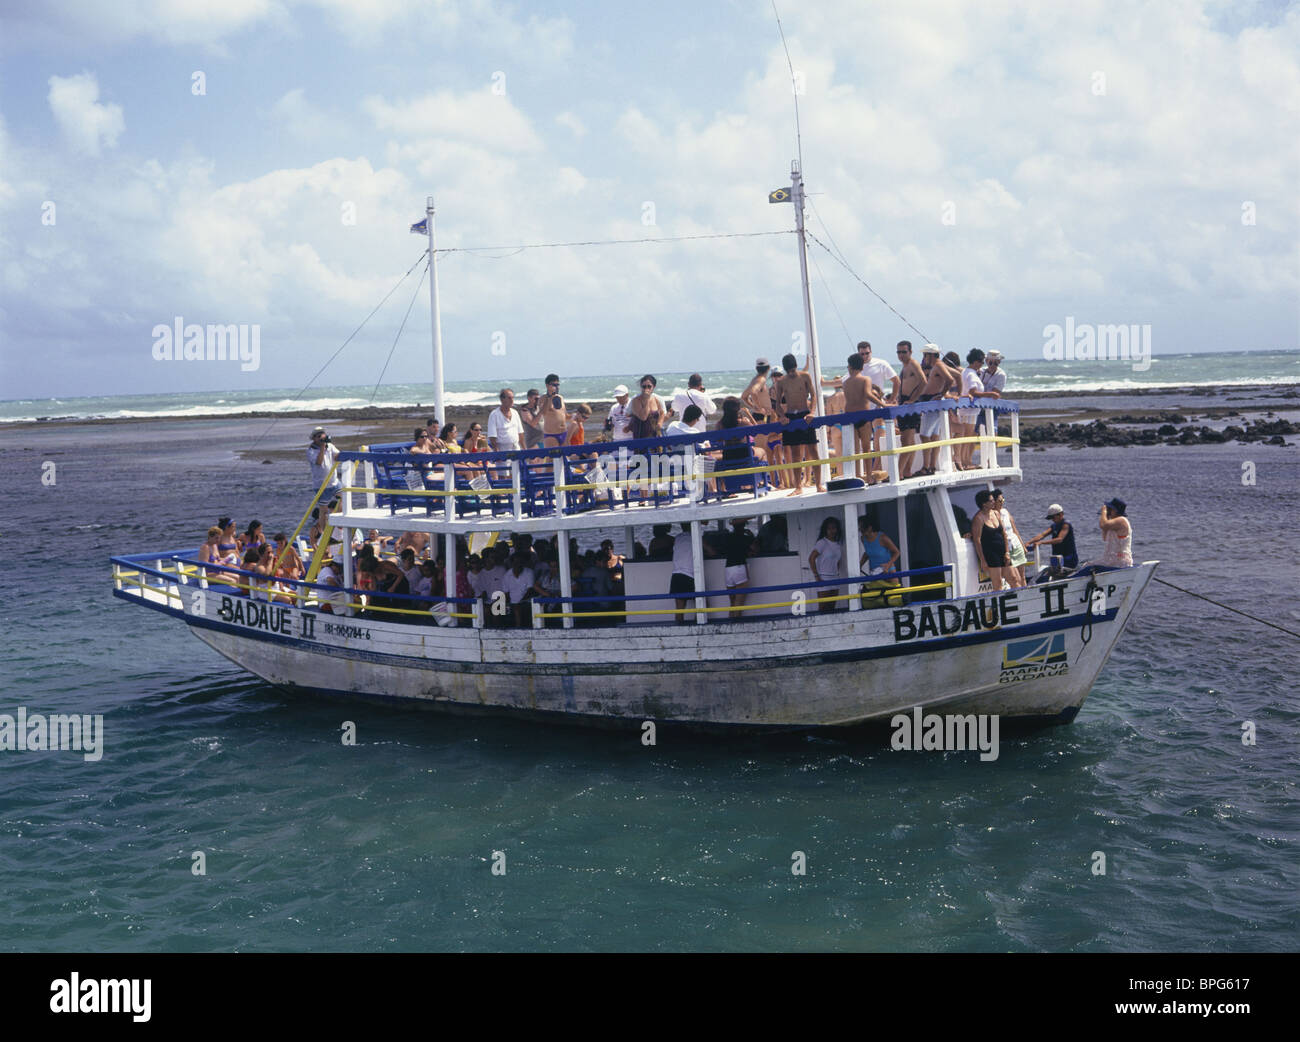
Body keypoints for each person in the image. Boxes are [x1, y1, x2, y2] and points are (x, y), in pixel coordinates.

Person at [841, 352, 887, 481]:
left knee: (856, 449)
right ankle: (868, 475)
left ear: (850, 367)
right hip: (864, 416)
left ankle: (857, 475)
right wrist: (882, 404)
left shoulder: (846, 383)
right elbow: (867, 394)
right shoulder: (866, 379)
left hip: (850, 417)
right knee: (867, 448)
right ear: (862, 367)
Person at [778, 352, 819, 493]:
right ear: (785, 370)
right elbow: (777, 404)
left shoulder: (805, 376)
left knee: (813, 451)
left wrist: (812, 412)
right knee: (795, 454)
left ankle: (819, 484)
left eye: (793, 370)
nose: (792, 373)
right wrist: (782, 416)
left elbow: (814, 395)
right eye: (789, 371)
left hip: (805, 413)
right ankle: (798, 487)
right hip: (791, 417)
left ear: (796, 366)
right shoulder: (782, 381)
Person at [916, 345, 957, 475]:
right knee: (934, 435)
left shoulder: (938, 365)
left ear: (931, 355)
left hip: (933, 403)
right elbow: (957, 376)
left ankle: (926, 466)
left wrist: (942, 394)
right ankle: (931, 466)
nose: (924, 358)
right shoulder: (938, 366)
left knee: (924, 435)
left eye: (925, 355)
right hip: (934, 402)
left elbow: (950, 379)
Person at [894, 341, 926, 477]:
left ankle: (898, 472)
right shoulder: (904, 367)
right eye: (898, 352)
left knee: (907, 441)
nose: (901, 355)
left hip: (911, 405)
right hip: (903, 404)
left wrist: (913, 399)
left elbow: (923, 381)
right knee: (906, 440)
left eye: (904, 352)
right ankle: (906, 471)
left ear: (910, 352)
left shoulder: (913, 364)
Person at [971, 490, 1011, 591]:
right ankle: (998, 605)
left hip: (1002, 552)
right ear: (984, 504)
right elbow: (977, 540)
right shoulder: (978, 519)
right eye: (992, 500)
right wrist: (983, 560)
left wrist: (1007, 552)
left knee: (1014, 578)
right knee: (997, 584)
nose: (994, 502)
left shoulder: (996, 514)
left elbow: (1004, 533)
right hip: (992, 555)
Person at [1078, 498, 1133, 570]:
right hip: (1112, 560)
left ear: (1115, 510)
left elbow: (1103, 525)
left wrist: (1104, 511)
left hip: (1120, 561)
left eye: (1110, 509)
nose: (1109, 511)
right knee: (1087, 565)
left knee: (1087, 566)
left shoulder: (1121, 520)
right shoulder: (1113, 523)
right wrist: (1106, 517)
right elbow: (1105, 537)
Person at [858, 513, 901, 605]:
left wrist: (888, 565)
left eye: (862, 527)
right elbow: (867, 553)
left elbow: (897, 552)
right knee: (879, 599)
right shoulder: (863, 539)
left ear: (869, 527)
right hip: (874, 573)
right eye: (859, 527)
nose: (860, 529)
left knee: (894, 597)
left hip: (889, 571)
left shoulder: (882, 538)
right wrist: (859, 565)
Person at [1026, 504, 1079, 573]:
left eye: (1053, 518)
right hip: (1057, 557)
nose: (1052, 520)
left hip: (1069, 558)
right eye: (1051, 518)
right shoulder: (1054, 526)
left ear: (1060, 515)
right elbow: (1042, 535)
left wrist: (1042, 542)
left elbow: (1059, 539)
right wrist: (1029, 543)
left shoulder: (1066, 525)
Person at [722, 517, 756, 619]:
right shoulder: (745, 538)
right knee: (739, 602)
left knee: (732, 602)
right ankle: (736, 624)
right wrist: (752, 536)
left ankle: (730, 624)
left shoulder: (728, 537)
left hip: (728, 569)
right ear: (744, 525)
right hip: (740, 567)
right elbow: (755, 549)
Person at [808, 516, 843, 612]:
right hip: (823, 578)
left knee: (832, 606)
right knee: (823, 607)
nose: (832, 531)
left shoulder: (838, 544)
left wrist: (836, 572)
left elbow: (838, 561)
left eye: (834, 528)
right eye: (829, 528)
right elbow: (811, 558)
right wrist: (816, 576)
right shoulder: (822, 543)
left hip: (835, 578)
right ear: (825, 530)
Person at [993, 490, 1027, 587]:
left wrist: (1023, 545)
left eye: (1003, 499)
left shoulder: (1005, 512)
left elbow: (1014, 530)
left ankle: (1025, 594)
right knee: (1014, 578)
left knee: (1022, 576)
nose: (1002, 502)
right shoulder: (992, 515)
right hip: (1006, 549)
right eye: (1000, 500)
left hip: (1016, 545)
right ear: (994, 502)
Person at [501, 551, 536, 627]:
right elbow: (506, 593)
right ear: (512, 563)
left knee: (518, 608)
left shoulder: (529, 572)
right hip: (512, 603)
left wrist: (520, 602)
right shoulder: (507, 575)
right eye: (516, 562)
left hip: (527, 602)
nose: (518, 564)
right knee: (497, 607)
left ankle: (518, 630)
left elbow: (530, 591)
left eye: (520, 562)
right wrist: (508, 604)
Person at [670, 523, 696, 624]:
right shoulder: (695, 536)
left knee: (679, 609)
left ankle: (679, 628)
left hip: (676, 575)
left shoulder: (677, 538)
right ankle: (698, 627)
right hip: (689, 574)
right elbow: (711, 551)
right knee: (703, 604)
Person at [307, 426, 341, 494]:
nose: (321, 438)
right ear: (314, 438)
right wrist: (322, 447)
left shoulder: (330, 446)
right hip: (321, 485)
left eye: (322, 435)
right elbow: (319, 462)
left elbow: (337, 456)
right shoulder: (311, 450)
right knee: (324, 504)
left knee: (341, 500)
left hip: (334, 482)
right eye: (318, 436)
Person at [539, 374, 568, 445]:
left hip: (564, 432)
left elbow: (564, 414)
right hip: (551, 435)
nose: (556, 387)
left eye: (557, 385)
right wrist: (550, 397)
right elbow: (544, 412)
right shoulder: (543, 399)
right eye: (554, 385)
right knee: (553, 456)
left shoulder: (560, 398)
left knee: (566, 455)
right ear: (547, 386)